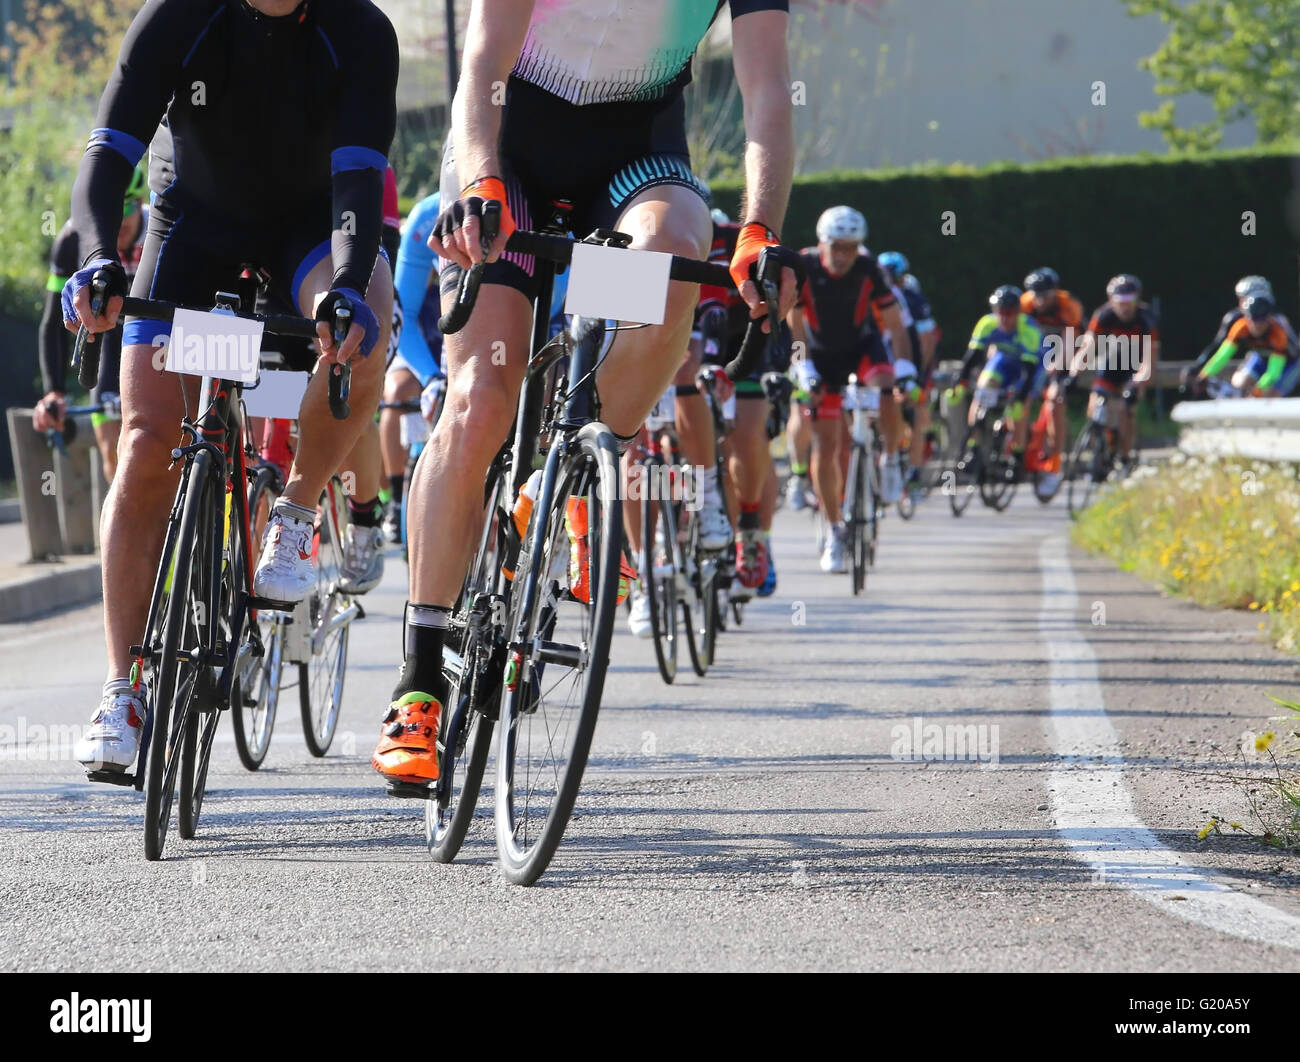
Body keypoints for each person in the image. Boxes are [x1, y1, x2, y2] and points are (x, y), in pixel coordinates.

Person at [373, 0, 803, 791]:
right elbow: (483, 62)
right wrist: (483, 182)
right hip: (506, 145)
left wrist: (760, 229)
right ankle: (421, 679)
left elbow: (767, 89)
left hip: (635, 160)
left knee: (677, 250)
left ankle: (576, 456)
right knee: (477, 404)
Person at [65, 0, 398, 779]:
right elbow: (109, 151)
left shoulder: (358, 28)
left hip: (311, 229)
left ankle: (296, 510)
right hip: (195, 228)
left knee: (368, 314)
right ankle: (122, 691)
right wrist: (95, 256)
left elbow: (356, 183)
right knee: (149, 444)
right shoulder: (178, 15)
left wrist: (344, 286)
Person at [788, 206, 911, 574]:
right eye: (837, 246)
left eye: (851, 247)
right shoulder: (804, 267)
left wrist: (904, 367)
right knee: (826, 446)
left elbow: (895, 324)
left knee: (888, 387)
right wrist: (802, 364)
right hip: (822, 356)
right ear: (823, 242)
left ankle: (889, 460)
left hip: (862, 349)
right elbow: (794, 324)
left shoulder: (869, 268)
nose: (843, 255)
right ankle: (835, 528)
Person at [32, 162, 150, 481]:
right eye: (112, 212)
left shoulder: (160, 232)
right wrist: (54, 390)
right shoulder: (73, 238)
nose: (119, 222)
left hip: (156, 337)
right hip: (108, 344)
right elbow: (53, 322)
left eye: (126, 210)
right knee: (115, 457)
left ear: (140, 203)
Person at [951, 286, 1046, 482]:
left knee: (1020, 404)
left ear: (1018, 313)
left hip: (1030, 367)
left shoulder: (1029, 330)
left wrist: (1019, 398)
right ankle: (973, 449)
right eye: (999, 312)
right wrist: (960, 382)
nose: (1003, 318)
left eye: (1009, 313)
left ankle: (1017, 455)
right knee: (982, 388)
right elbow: (973, 357)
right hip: (1005, 361)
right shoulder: (987, 324)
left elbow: (1028, 373)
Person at [1066, 274, 1159, 469]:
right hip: (1114, 360)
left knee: (1126, 409)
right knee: (1095, 403)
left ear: (1137, 300)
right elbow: (1087, 348)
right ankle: (1101, 445)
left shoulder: (1146, 318)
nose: (1125, 307)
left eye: (1129, 301)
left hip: (1137, 362)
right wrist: (1073, 375)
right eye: (1120, 302)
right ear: (1111, 301)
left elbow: (1149, 362)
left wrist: (1137, 384)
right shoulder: (1104, 315)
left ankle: (1124, 459)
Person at [1197, 293, 1298, 397]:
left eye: (1261, 320)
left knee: (1269, 394)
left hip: (1288, 364)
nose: (1255, 325)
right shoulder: (1241, 327)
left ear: (1269, 319)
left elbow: (1274, 372)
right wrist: (1205, 374)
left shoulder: (1277, 334)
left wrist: (1259, 388)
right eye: (1252, 320)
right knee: (1239, 382)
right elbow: (1223, 354)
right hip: (1261, 358)